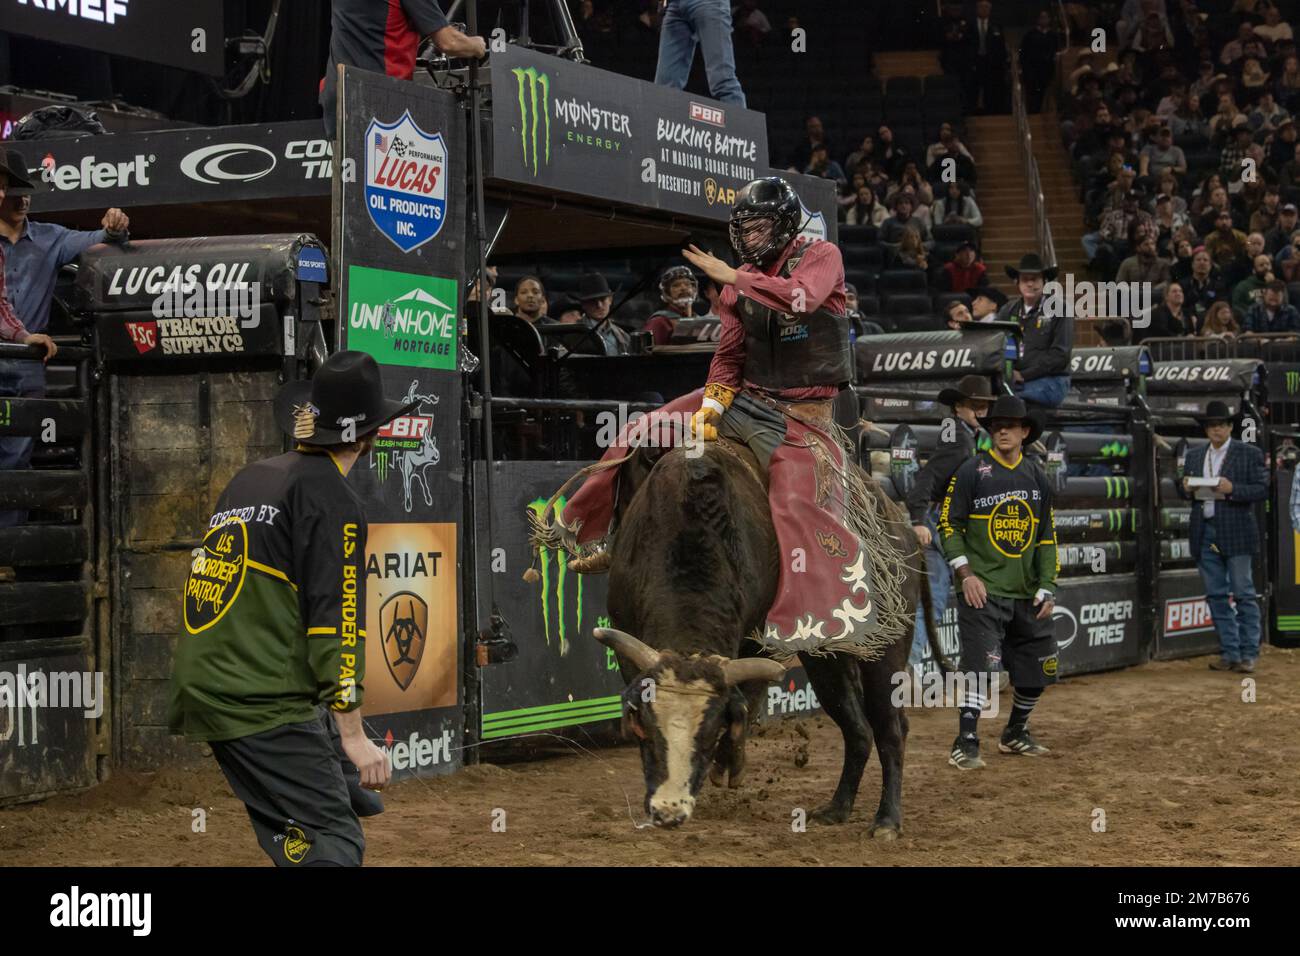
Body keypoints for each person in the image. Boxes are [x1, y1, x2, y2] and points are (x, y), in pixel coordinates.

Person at [539, 177, 910, 659]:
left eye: (759, 228)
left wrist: (734, 277)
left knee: (797, 499)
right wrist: (712, 404)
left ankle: (810, 613)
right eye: (745, 228)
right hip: (744, 398)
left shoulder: (821, 257)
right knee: (641, 433)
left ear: (783, 225)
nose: (750, 238)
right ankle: (601, 532)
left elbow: (801, 298)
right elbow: (731, 355)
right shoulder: (740, 284)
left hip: (803, 414)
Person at [169, 351, 410, 865]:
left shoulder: (253, 477)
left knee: (303, 822)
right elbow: (337, 625)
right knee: (335, 839)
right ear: (369, 437)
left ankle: (323, 811)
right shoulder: (332, 500)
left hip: (208, 687)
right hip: (258, 697)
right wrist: (355, 736)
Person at [0, 148, 129, 530]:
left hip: (26, 367)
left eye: (27, 191)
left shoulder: (49, 238)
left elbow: (99, 238)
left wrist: (114, 227)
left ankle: (7, 551)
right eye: (14, 190)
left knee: (17, 460)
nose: (23, 198)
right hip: (20, 354)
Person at [938, 394, 1058, 769]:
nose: (1002, 431)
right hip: (982, 590)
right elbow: (948, 525)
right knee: (982, 671)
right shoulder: (972, 470)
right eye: (996, 426)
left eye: (1010, 426)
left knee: (1040, 670)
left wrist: (1048, 585)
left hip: (1026, 592)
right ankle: (966, 740)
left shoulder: (1037, 475)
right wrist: (966, 574)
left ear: (1025, 432)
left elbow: (1046, 535)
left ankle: (1015, 732)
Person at [906, 374, 995, 664]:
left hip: (944, 520)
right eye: (976, 405)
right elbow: (928, 476)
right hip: (943, 521)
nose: (982, 411)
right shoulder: (960, 438)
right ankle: (910, 663)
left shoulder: (958, 433)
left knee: (934, 599)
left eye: (984, 405)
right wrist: (918, 518)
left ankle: (911, 664)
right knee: (934, 599)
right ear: (960, 406)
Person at [1178, 400, 1267, 673]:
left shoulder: (1248, 453)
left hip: (1235, 529)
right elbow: (1184, 492)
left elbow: (1262, 489)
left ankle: (1248, 653)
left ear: (1229, 427)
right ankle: (1231, 652)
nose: (1216, 430)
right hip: (1205, 529)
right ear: (1206, 429)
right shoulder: (1194, 456)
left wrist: (1232, 489)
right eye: (1211, 425)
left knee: (1243, 593)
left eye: (1221, 425)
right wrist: (1184, 488)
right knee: (1216, 595)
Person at [319, 0, 485, 139]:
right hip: (381, 101)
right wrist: (476, 45)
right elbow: (449, 42)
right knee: (380, 175)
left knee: (348, 173)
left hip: (341, 97)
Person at [998, 254, 1072, 407]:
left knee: (1011, 401)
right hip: (1015, 380)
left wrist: (1024, 375)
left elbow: (1060, 356)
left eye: (1035, 279)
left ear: (1044, 282)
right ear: (1017, 282)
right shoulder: (1008, 310)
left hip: (1051, 381)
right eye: (1025, 279)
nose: (1030, 283)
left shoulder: (1060, 309)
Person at [654, 0, 745, 106]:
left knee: (723, 81)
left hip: (708, 3)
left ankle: (738, 121)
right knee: (664, 87)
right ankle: (658, 120)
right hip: (674, 6)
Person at [574, 272, 631, 355]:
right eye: (593, 301)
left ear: (610, 300)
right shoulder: (574, 334)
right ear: (583, 305)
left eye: (603, 299)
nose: (599, 305)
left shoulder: (623, 336)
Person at [644, 265, 699, 345]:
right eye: (676, 285)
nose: (683, 288)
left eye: (687, 284)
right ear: (667, 292)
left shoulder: (702, 320)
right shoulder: (659, 322)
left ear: (694, 289)